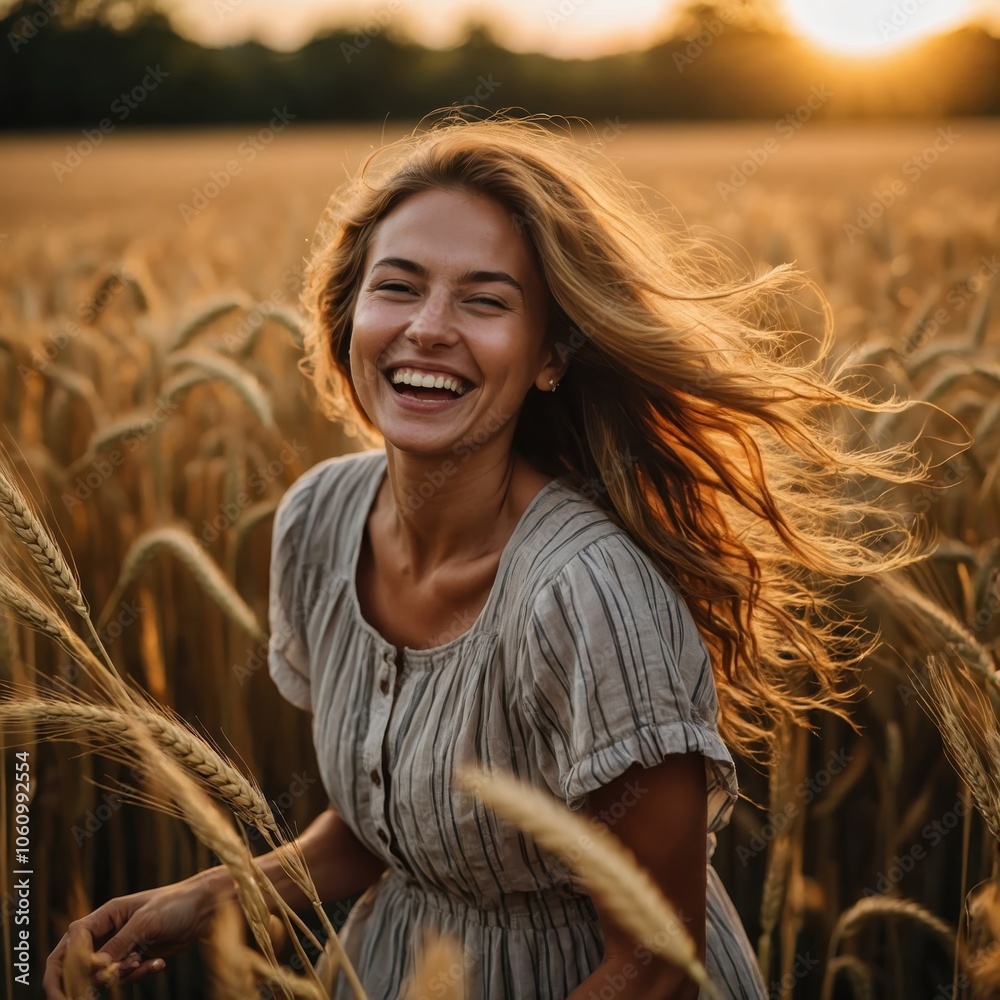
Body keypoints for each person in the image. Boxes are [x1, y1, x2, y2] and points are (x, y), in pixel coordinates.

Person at [44, 112, 921, 999]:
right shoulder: (317, 520)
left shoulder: (587, 593)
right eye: (399, 287)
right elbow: (400, 824)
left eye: (485, 299)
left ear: (549, 357)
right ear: (349, 318)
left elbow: (657, 963)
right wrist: (206, 895)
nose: (428, 327)